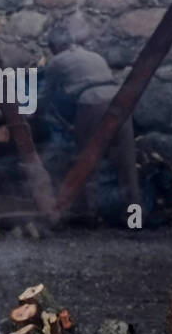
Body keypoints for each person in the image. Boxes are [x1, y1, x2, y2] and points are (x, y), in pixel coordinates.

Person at [41, 25, 139, 220]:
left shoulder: (57, 61)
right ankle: (134, 219)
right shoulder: (94, 56)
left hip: (92, 103)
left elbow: (46, 95)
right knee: (127, 162)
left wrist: (33, 114)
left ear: (54, 45)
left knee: (86, 158)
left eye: (51, 47)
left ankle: (88, 214)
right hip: (120, 101)